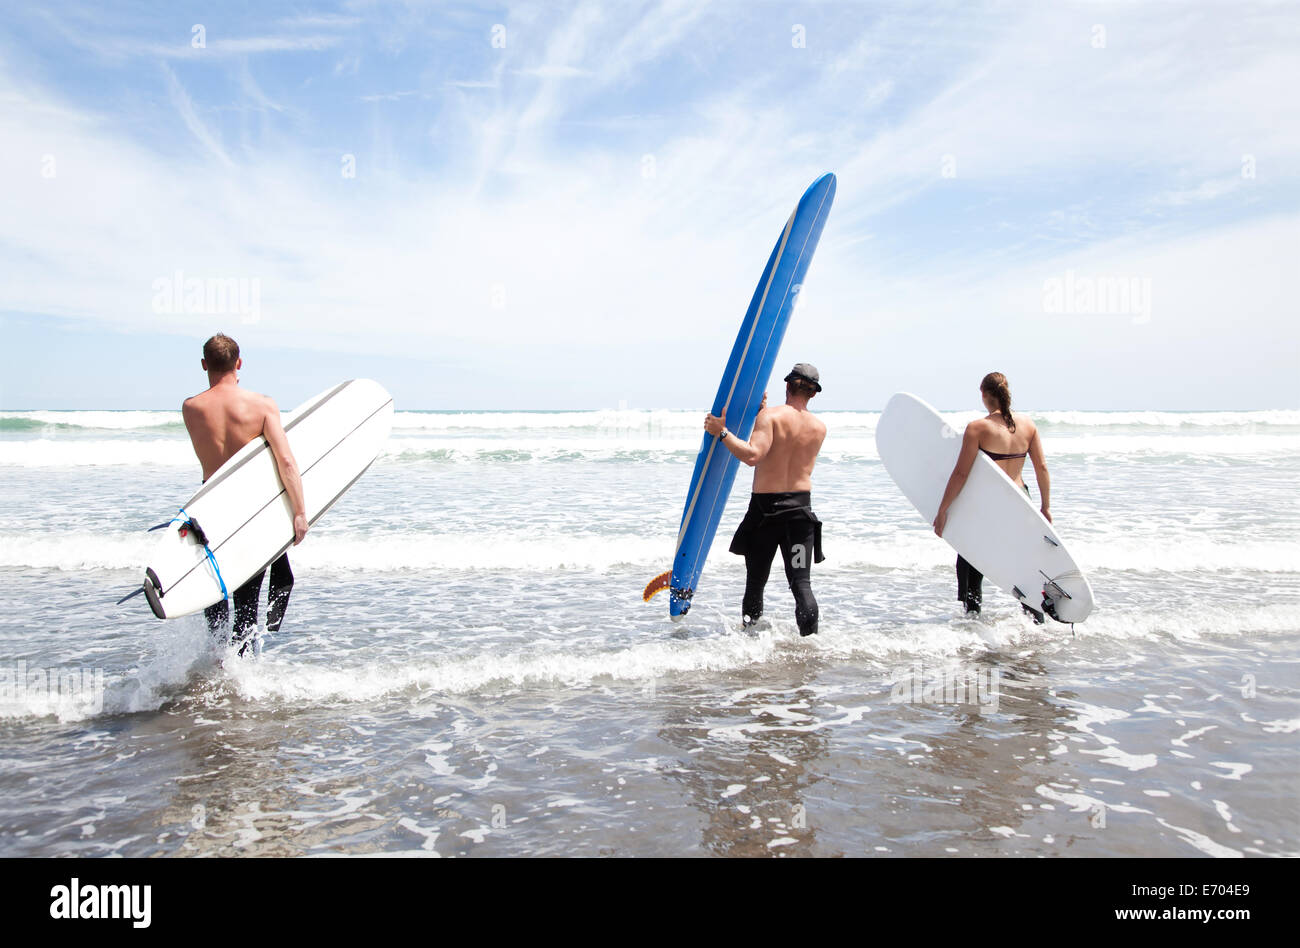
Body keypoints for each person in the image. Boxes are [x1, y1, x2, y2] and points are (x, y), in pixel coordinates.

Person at [181, 334, 308, 655]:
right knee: (247, 607)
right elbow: (286, 461)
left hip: (209, 512)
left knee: (215, 600)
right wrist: (299, 512)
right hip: (250, 514)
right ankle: (242, 676)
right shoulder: (262, 406)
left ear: (203, 365)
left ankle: (216, 675)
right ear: (239, 363)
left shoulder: (191, 407)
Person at [704, 363, 828, 637]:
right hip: (799, 514)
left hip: (765, 515)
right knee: (802, 585)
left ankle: (750, 640)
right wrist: (762, 413)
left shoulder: (770, 418)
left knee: (756, 582)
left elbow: (753, 455)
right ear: (813, 394)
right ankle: (812, 647)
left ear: (787, 385)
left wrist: (721, 432)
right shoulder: (819, 428)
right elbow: (786, 447)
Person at [932, 371, 1050, 622]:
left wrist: (943, 510)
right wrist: (1045, 507)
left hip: (988, 504)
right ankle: (1034, 621)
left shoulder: (978, 428)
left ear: (984, 395)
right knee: (1021, 562)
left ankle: (972, 618)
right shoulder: (1028, 425)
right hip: (1021, 501)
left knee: (971, 558)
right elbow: (1042, 468)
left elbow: (961, 473)